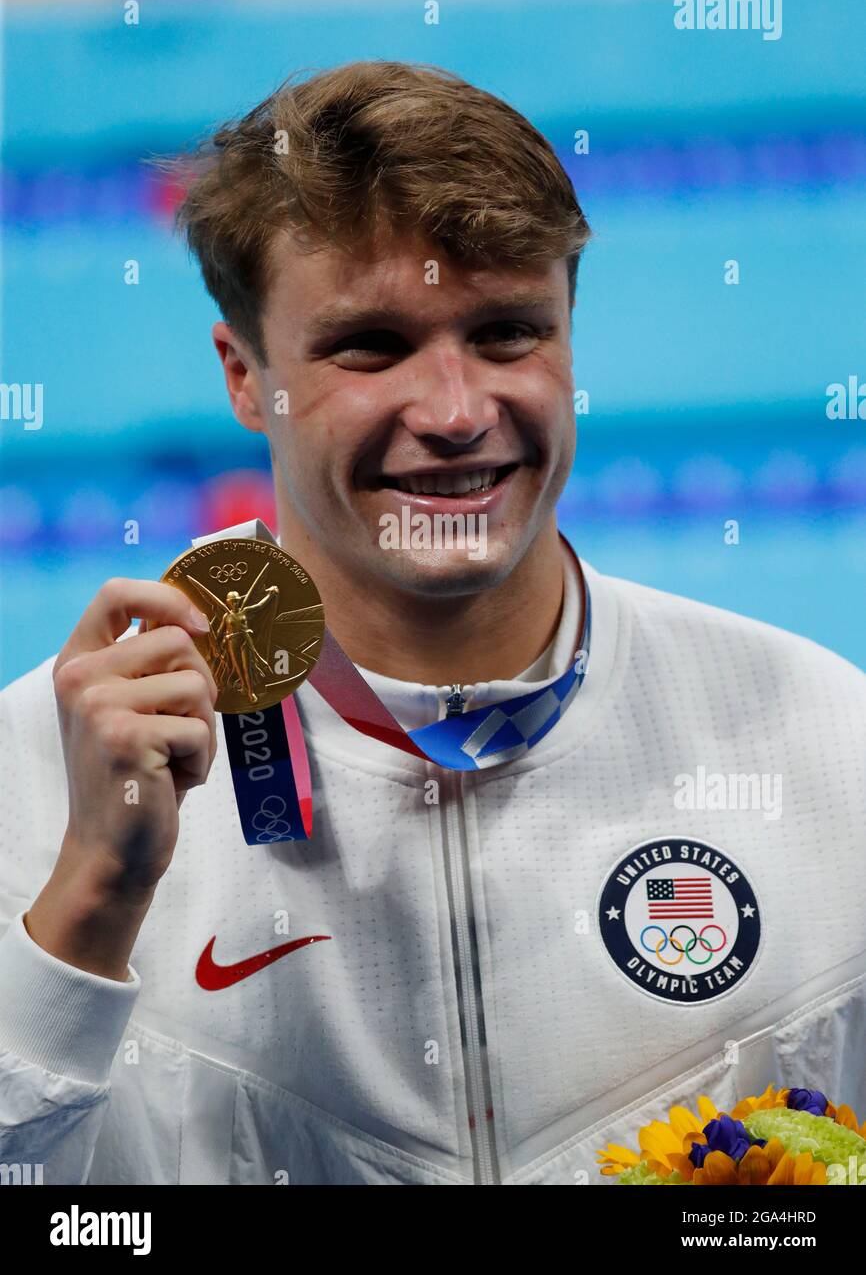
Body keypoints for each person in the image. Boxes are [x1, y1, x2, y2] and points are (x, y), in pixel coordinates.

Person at [1, 60, 864, 1188]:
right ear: (242, 374)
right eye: (370, 346)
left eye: (507, 333)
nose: (456, 413)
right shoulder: (34, 784)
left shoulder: (822, 742)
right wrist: (87, 915)